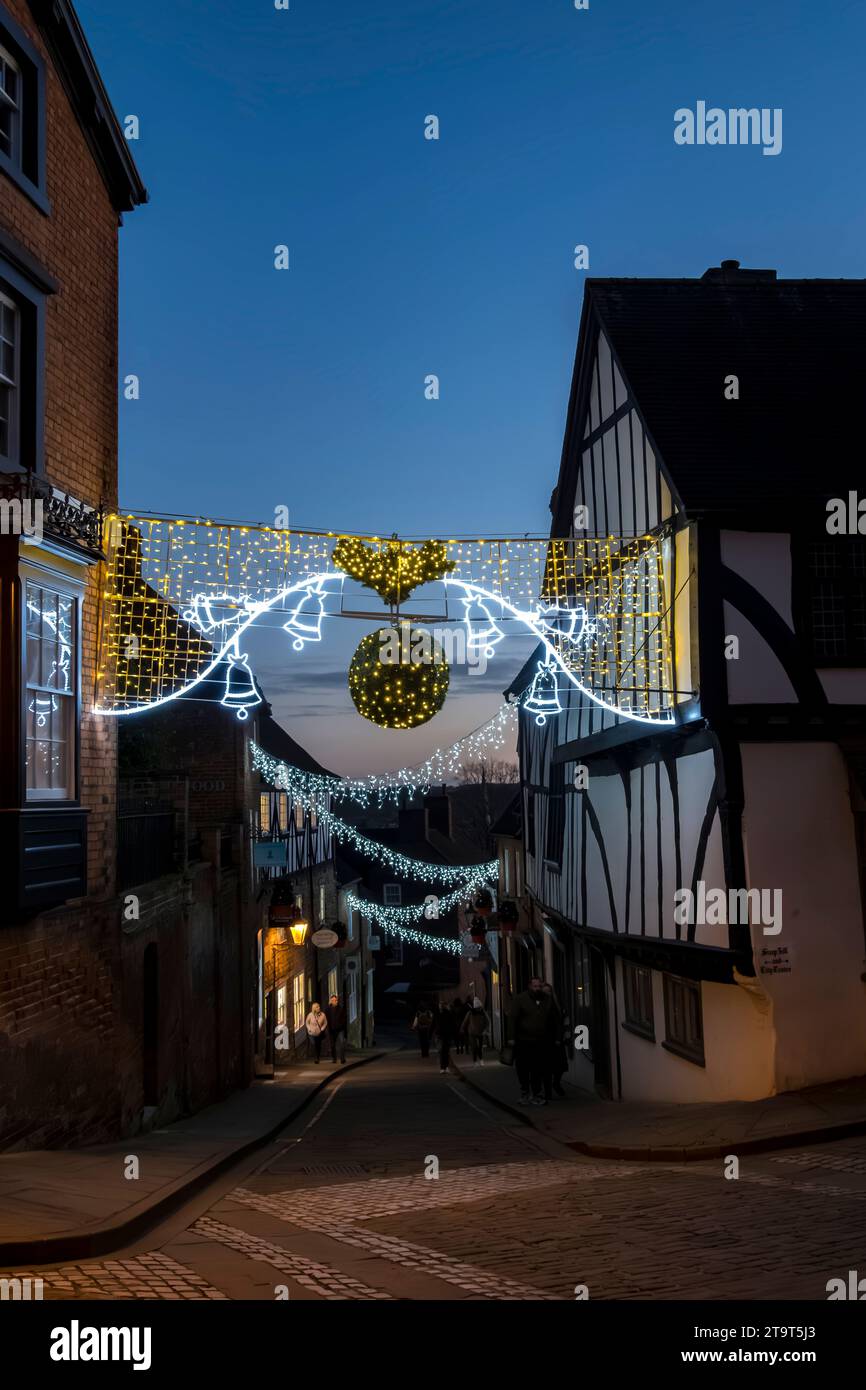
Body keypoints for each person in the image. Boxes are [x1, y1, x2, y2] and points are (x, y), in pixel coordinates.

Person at [509, 977, 558, 1105]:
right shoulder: (520, 999)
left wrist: (555, 1037)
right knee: (523, 1068)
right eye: (535, 986)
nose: (537, 989)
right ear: (530, 986)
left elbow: (553, 1018)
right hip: (523, 1040)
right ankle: (525, 1092)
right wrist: (511, 1038)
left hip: (540, 1040)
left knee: (538, 1068)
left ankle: (536, 1093)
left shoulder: (547, 1000)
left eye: (539, 986)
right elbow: (513, 1018)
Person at [543, 983, 568, 1096]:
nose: (546, 994)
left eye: (548, 991)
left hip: (556, 1039)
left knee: (560, 1066)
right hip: (545, 1039)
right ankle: (548, 1091)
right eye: (544, 992)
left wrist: (560, 1037)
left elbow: (560, 1022)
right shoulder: (539, 1005)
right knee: (547, 1067)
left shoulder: (556, 1005)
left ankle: (556, 1083)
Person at [461, 997, 490, 1065]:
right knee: (474, 1047)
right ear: (476, 1007)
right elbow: (465, 1021)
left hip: (480, 1032)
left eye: (480, 1007)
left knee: (480, 1047)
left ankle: (481, 1059)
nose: (480, 1008)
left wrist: (486, 1029)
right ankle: (475, 1061)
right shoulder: (470, 1013)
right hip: (472, 1032)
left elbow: (488, 1021)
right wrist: (462, 1028)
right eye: (479, 1007)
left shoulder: (483, 1012)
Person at [433, 997, 457, 1073]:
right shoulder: (436, 1014)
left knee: (445, 1051)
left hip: (446, 1035)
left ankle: (445, 1067)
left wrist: (454, 1034)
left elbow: (453, 1024)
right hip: (439, 1035)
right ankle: (443, 1067)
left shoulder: (448, 1014)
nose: (440, 1006)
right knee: (441, 1051)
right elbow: (433, 1024)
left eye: (442, 1005)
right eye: (440, 1004)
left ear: (444, 1006)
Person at [325, 993, 348, 1064]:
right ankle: (334, 1058)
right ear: (331, 1001)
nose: (335, 1001)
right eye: (333, 1000)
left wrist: (341, 1026)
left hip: (340, 1029)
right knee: (332, 1045)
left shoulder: (341, 1009)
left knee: (342, 1043)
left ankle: (342, 1058)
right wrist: (328, 1028)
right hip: (331, 1029)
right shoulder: (328, 1009)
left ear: (337, 1001)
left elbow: (344, 1019)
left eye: (336, 1000)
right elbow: (326, 1019)